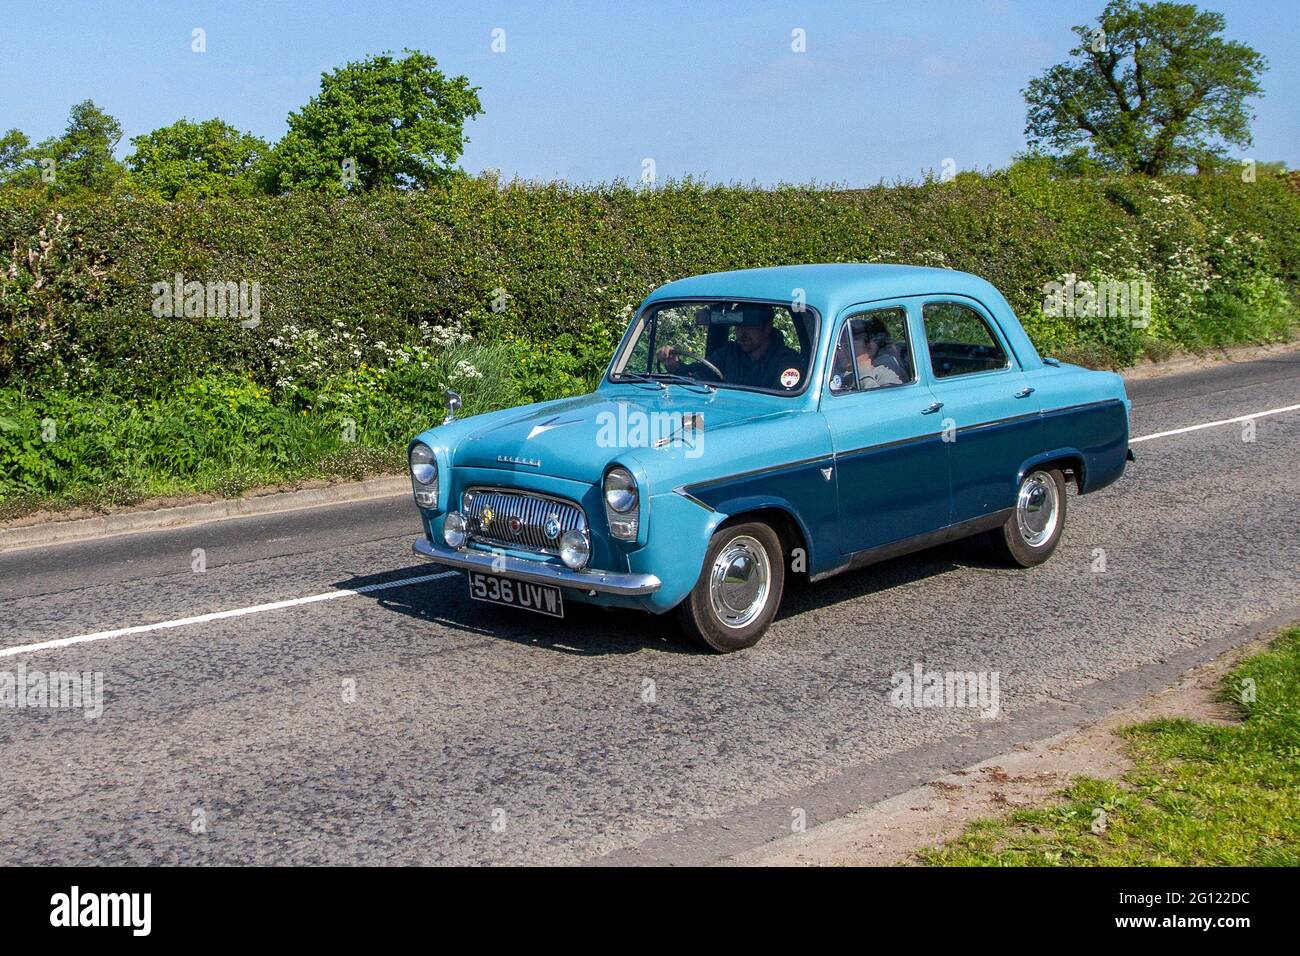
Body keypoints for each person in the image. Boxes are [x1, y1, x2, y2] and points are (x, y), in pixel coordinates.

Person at [656, 304, 804, 390]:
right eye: (738, 325)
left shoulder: (787, 360)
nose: (742, 332)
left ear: (767, 328)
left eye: (749, 325)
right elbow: (700, 373)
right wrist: (675, 365)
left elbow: (785, 404)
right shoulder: (729, 353)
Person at [852, 317, 907, 389]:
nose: (841, 351)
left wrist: (864, 374)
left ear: (870, 347)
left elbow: (889, 398)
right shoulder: (844, 370)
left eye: (847, 345)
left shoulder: (886, 368)